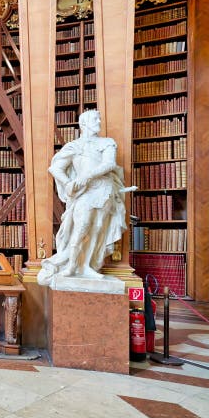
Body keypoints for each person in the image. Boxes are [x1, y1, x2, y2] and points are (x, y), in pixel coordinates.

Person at [38, 110, 132, 286]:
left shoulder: (107, 143)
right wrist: (68, 183)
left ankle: (87, 266)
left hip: (104, 190)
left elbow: (109, 164)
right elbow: (55, 168)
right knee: (81, 227)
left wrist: (87, 176)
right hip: (84, 193)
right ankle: (72, 266)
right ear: (83, 124)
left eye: (99, 119)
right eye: (95, 119)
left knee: (98, 228)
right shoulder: (74, 146)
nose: (99, 122)